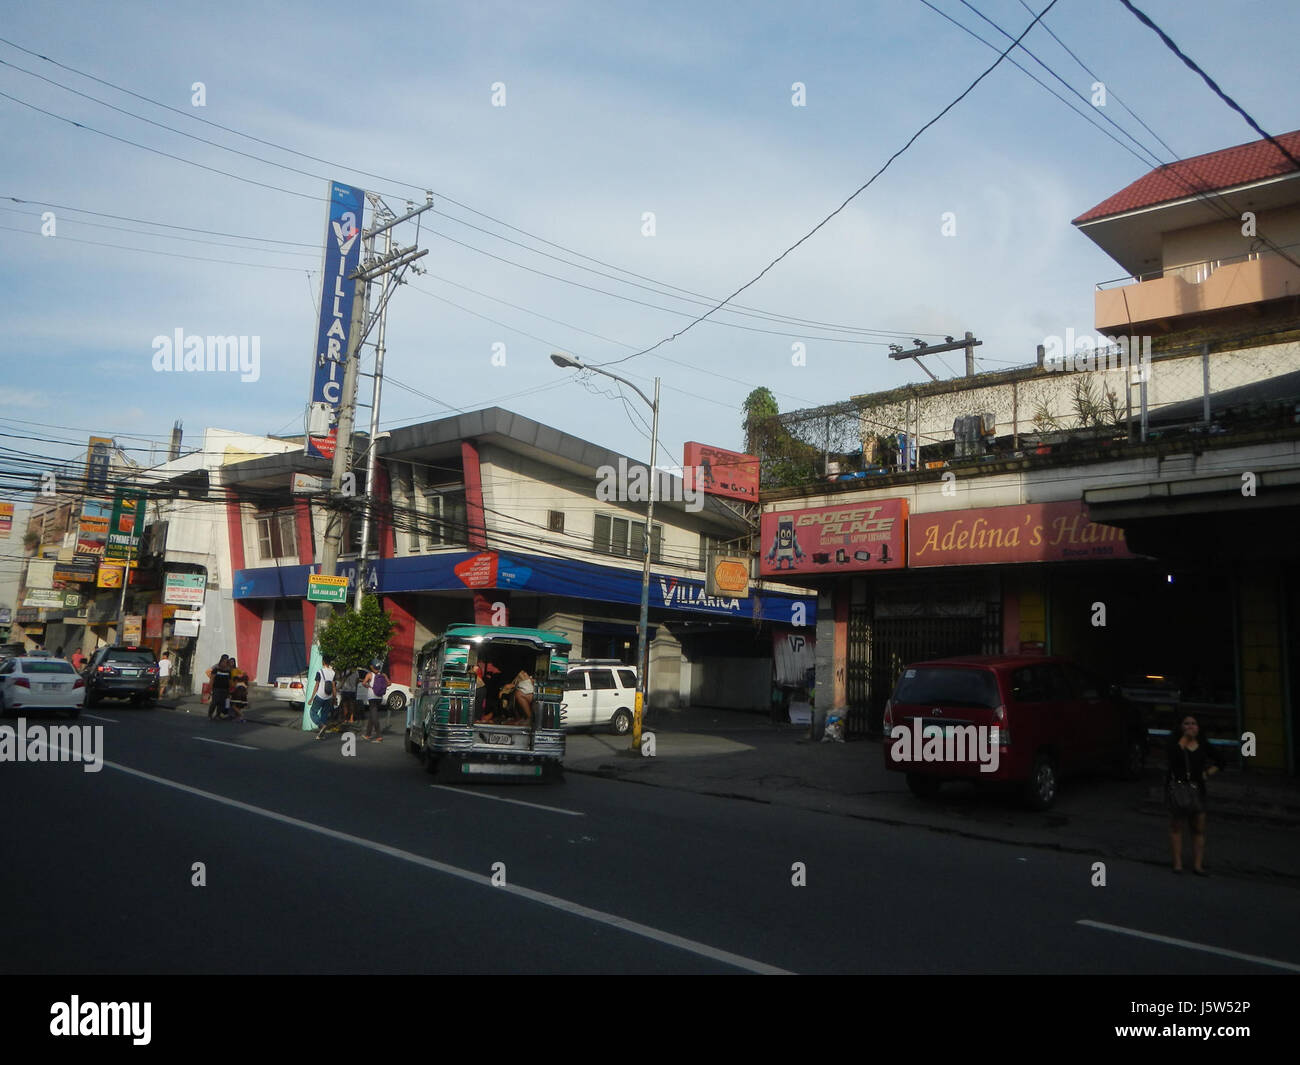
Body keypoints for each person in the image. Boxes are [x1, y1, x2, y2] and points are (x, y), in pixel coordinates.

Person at [1166, 715, 1224, 875]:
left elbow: (1221, 761)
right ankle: (1177, 863)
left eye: (1193, 724)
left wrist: (1207, 773)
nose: (1190, 727)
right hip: (1178, 789)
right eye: (1186, 724)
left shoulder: (1203, 744)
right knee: (1176, 826)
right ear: (1180, 727)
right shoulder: (1175, 743)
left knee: (1198, 827)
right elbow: (1174, 758)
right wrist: (1185, 739)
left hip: (1197, 790)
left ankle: (1198, 865)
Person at [309, 656, 337, 739]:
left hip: (320, 696)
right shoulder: (333, 673)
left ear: (323, 662)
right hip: (329, 697)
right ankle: (321, 735)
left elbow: (316, 685)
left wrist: (311, 698)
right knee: (324, 714)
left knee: (312, 712)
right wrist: (334, 698)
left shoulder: (319, 672)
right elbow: (334, 687)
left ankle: (321, 725)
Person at [361, 659, 388, 742]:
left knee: (374, 717)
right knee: (372, 716)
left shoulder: (369, 675)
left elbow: (363, 683)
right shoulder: (383, 675)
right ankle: (367, 735)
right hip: (379, 697)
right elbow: (389, 683)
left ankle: (379, 736)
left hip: (372, 697)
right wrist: (382, 686)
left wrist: (369, 686)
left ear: (372, 667)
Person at [206, 655, 233, 722]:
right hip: (216, 688)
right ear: (221, 661)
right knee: (214, 702)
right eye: (224, 661)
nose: (225, 663)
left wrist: (230, 690)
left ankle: (218, 715)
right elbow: (212, 679)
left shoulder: (228, 671)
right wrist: (210, 689)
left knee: (222, 703)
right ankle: (210, 715)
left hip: (225, 689)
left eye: (226, 661)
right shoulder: (216, 669)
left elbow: (229, 681)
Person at [227, 658, 248, 723]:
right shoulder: (226, 669)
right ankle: (231, 715)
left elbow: (244, 674)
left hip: (235, 688)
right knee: (228, 702)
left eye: (233, 662)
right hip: (228, 686)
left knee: (233, 703)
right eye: (230, 662)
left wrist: (239, 678)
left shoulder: (236, 670)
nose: (231, 663)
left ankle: (237, 715)